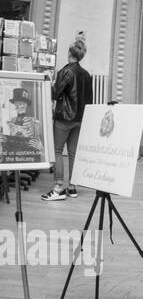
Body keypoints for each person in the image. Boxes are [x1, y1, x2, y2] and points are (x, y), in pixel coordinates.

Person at [43, 33, 93, 202]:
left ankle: (58, 188)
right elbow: (89, 99)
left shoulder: (66, 71)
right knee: (73, 153)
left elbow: (55, 94)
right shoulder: (86, 74)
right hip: (79, 119)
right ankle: (72, 187)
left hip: (64, 118)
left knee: (57, 151)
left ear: (69, 53)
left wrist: (50, 82)